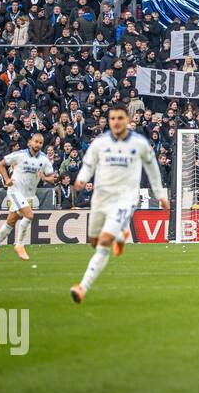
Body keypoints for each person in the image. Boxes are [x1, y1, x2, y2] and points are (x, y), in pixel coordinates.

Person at [70, 105, 168, 304]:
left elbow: (152, 168)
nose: (116, 121)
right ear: (108, 120)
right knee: (94, 242)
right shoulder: (100, 142)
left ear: (127, 119)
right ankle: (122, 232)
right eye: (112, 118)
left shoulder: (139, 143)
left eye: (120, 118)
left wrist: (159, 194)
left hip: (125, 198)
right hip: (100, 198)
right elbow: (89, 163)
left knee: (104, 242)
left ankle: (82, 287)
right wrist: (81, 179)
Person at [0, 134, 56, 262]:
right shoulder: (19, 155)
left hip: (27, 195)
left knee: (11, 221)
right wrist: (7, 179)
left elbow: (53, 177)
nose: (38, 144)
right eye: (36, 141)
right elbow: (0, 165)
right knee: (29, 215)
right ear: (30, 142)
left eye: (40, 143)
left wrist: (44, 178)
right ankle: (19, 244)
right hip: (15, 190)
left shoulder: (44, 159)